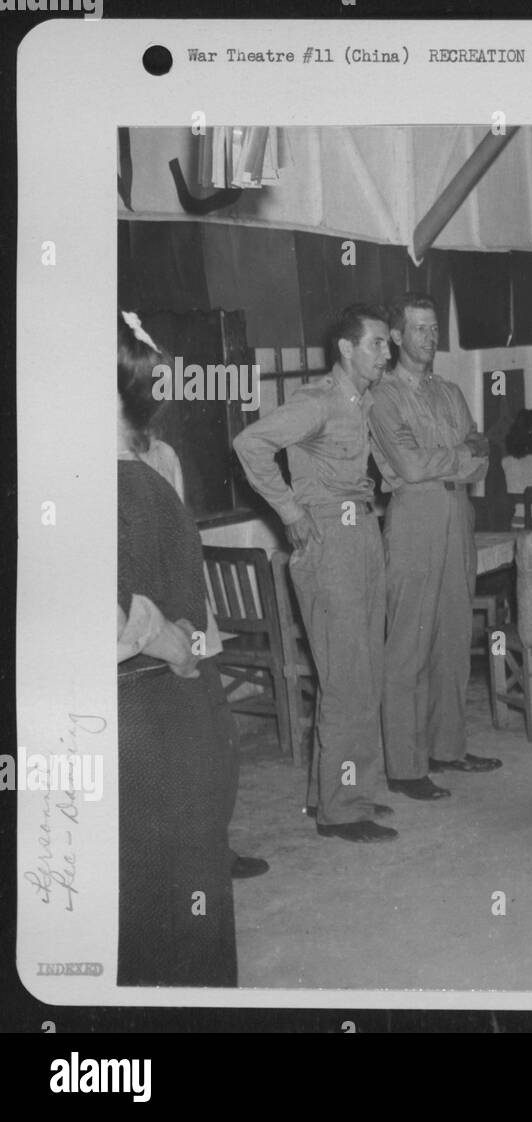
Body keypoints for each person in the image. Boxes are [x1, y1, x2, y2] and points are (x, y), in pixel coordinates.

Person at [234, 305, 397, 843]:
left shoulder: (361, 400)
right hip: (329, 539)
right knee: (346, 674)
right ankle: (340, 810)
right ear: (346, 349)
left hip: (362, 533)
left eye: (386, 344)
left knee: (362, 669)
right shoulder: (319, 401)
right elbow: (250, 443)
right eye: (376, 344)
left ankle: (349, 791)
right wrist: (291, 511)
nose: (386, 353)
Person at [116, 341, 268, 882]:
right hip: (140, 638)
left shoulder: (164, 456)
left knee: (214, 738)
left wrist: (192, 626)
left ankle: (213, 847)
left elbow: (185, 545)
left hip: (189, 618)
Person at [116, 311, 237, 984]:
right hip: (144, 708)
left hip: (165, 696)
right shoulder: (117, 482)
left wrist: (183, 640)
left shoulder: (152, 469)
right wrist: (168, 641)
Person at [367, 294, 501, 790]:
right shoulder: (383, 395)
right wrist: (457, 455)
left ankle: (448, 748)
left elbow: (483, 455)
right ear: (398, 336)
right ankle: (405, 766)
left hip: (457, 512)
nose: (430, 337)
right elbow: (410, 467)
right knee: (409, 643)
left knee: (452, 636)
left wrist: (451, 457)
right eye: (419, 329)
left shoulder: (448, 391)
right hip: (414, 516)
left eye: (434, 328)